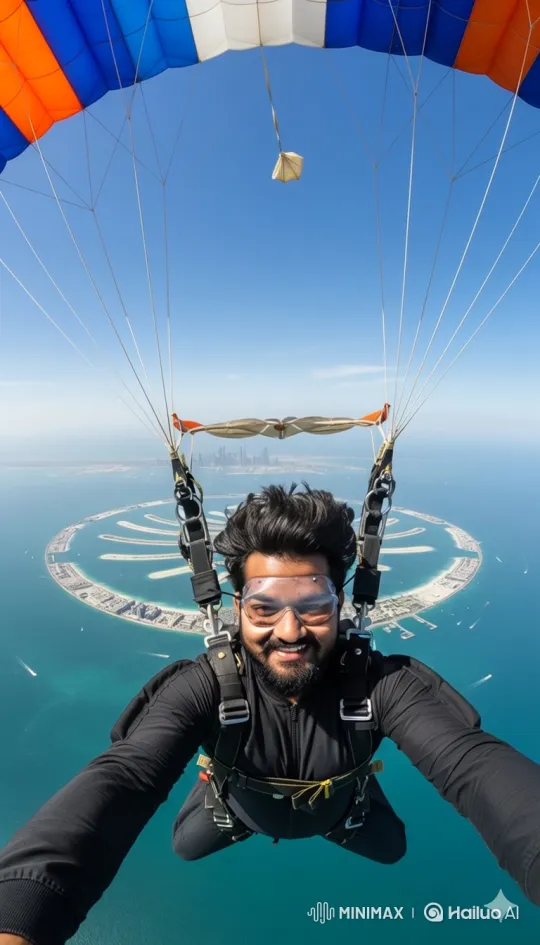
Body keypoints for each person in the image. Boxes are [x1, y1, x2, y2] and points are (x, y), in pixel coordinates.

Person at [0, 484, 539, 945]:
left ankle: (297, 797)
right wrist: (20, 916)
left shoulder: (378, 683)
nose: (289, 631)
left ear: (339, 608)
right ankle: (228, 789)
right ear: (237, 609)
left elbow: (471, 764)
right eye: (264, 608)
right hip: (244, 809)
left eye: (314, 607)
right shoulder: (205, 685)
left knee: (391, 849)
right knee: (186, 847)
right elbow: (127, 774)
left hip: (331, 810)